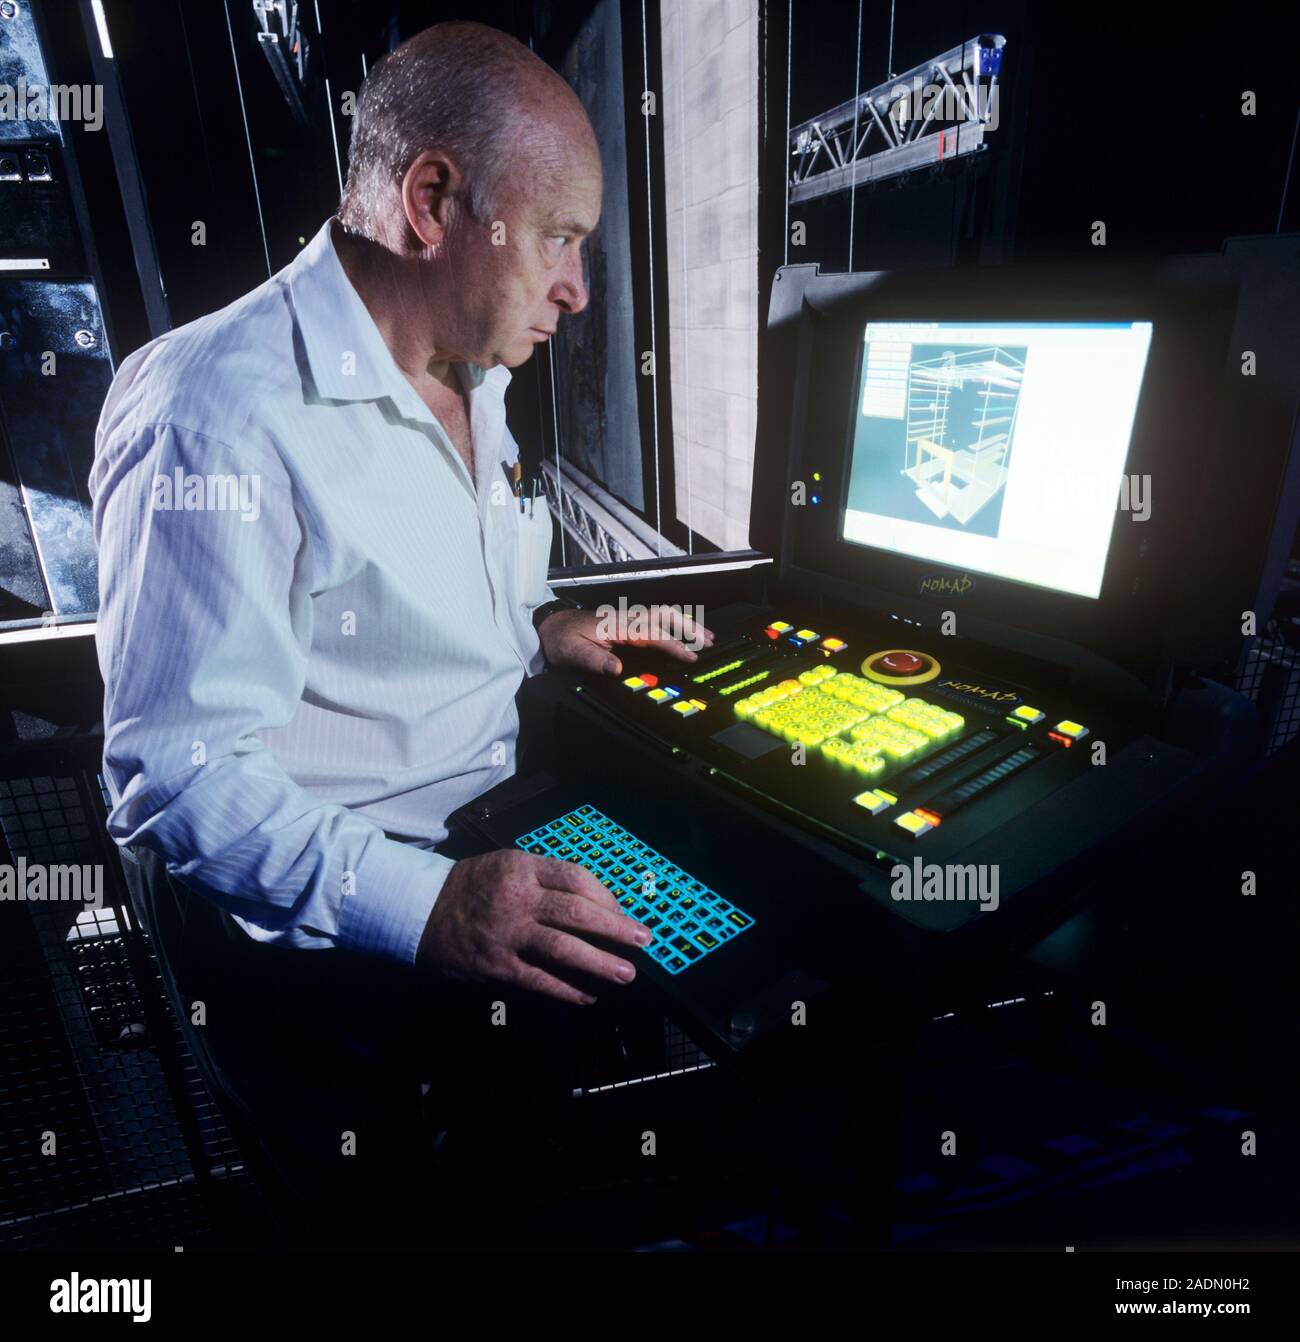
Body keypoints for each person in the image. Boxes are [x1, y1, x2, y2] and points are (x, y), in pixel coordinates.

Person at [90, 19, 711, 1247]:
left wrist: (542, 625)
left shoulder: (477, 368)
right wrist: (431, 908)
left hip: (476, 863)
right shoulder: (213, 417)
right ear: (432, 202)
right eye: (559, 238)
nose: (578, 290)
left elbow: (411, 593)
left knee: (503, 1180)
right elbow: (176, 779)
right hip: (313, 945)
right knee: (368, 1224)